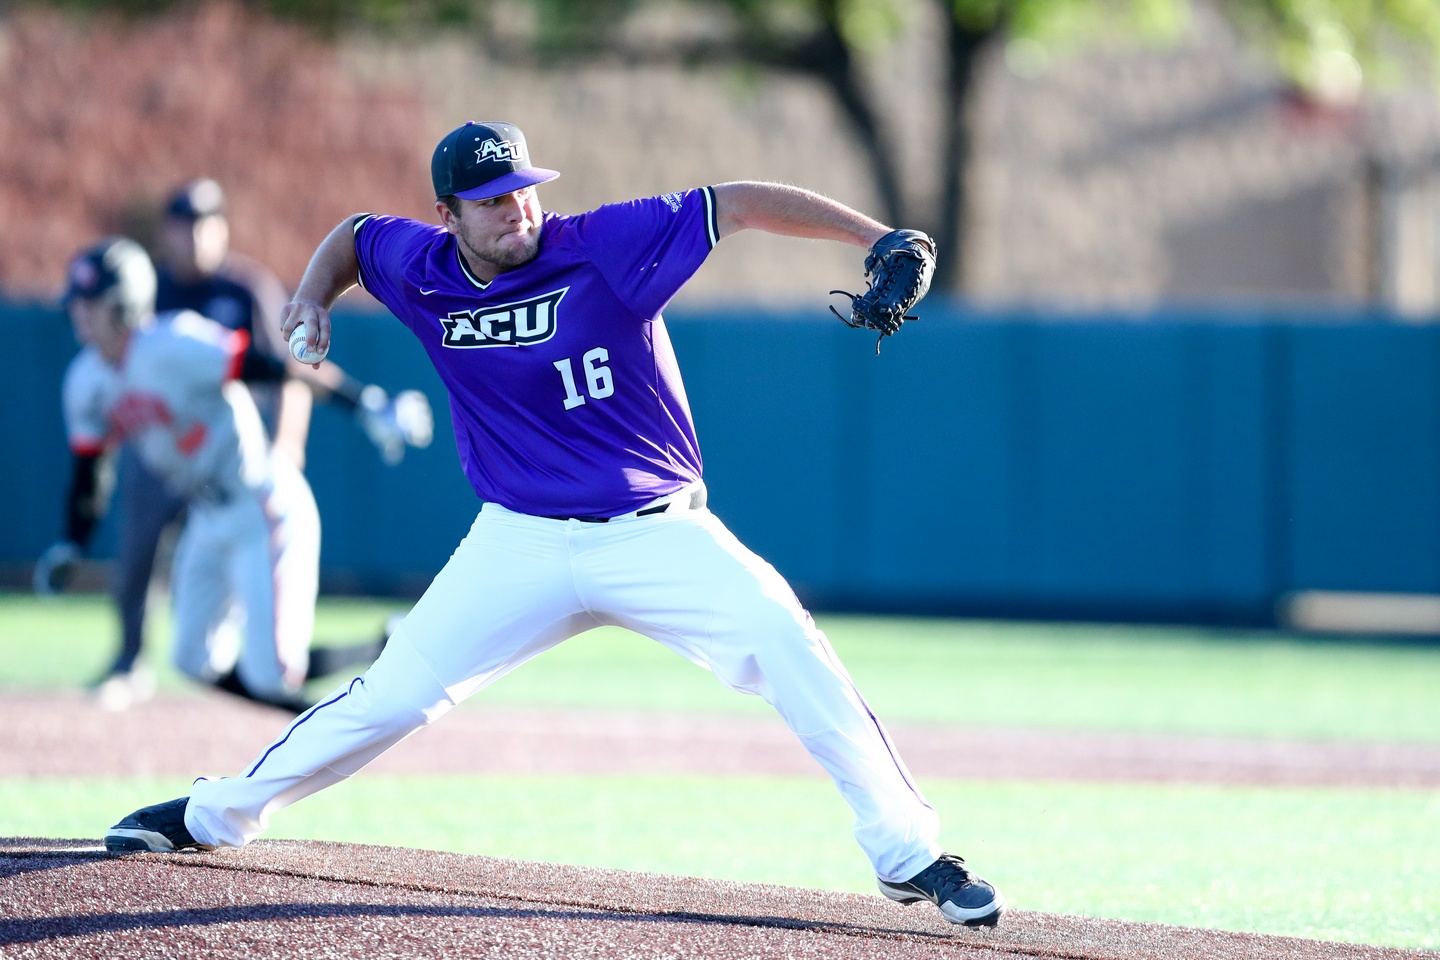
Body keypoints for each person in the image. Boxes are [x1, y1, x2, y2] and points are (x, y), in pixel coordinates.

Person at [103, 121, 1005, 927]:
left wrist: (876, 237)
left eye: (525, 189)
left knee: (786, 639)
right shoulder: (421, 266)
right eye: (493, 200)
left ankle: (906, 853)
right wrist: (312, 295)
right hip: (518, 540)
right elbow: (353, 238)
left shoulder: (605, 244)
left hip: (654, 531)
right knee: (390, 698)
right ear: (449, 215)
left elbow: (736, 203)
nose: (517, 210)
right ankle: (214, 813)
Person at [34, 179, 433, 710]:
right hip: (207, 513)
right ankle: (312, 698)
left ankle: (370, 670)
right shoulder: (85, 380)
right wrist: (71, 542)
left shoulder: (175, 342)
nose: (79, 314)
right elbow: (91, 467)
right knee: (190, 660)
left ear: (121, 304)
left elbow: (279, 368)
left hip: (258, 500)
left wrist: (365, 403)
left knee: (274, 674)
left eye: (90, 303)